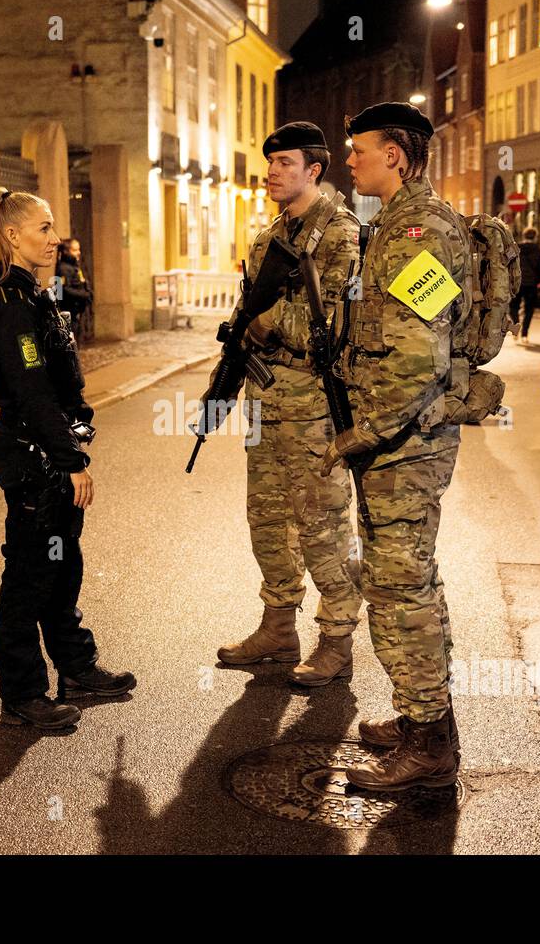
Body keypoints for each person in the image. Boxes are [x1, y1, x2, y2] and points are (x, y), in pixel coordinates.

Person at [323, 101, 473, 790]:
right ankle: (422, 721)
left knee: (399, 586)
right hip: (398, 443)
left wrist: (365, 432)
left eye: (360, 149)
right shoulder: (391, 226)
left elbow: (419, 357)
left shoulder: (418, 231)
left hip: (404, 444)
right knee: (408, 577)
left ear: (399, 155)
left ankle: (429, 745)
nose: (349, 159)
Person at [0, 187, 135, 730]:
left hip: (52, 452)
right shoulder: (8, 305)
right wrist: (70, 460)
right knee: (29, 577)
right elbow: (32, 393)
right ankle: (21, 694)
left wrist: (75, 438)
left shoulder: (33, 294)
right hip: (33, 458)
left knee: (62, 568)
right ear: (11, 235)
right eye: (43, 227)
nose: (53, 236)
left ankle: (77, 670)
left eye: (53, 226)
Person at [215, 122, 364, 686]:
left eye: (284, 162)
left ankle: (336, 640)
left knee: (321, 527)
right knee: (267, 523)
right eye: (270, 161)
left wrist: (261, 323)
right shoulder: (267, 235)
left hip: (314, 409)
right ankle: (278, 626)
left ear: (314, 170)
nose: (273, 171)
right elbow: (245, 315)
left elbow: (329, 326)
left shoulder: (339, 235)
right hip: (264, 402)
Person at [511, 227, 540, 344]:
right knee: (529, 309)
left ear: (524, 235)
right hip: (531, 283)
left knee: (513, 307)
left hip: (517, 282)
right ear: (535, 237)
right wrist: (538, 279)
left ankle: (516, 327)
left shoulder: (516, 247)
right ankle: (525, 334)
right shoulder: (538, 250)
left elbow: (510, 263)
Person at [55, 238, 93, 342]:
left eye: (78, 249)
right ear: (66, 251)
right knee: (71, 341)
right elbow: (61, 291)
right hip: (68, 310)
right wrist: (84, 294)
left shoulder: (73, 266)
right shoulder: (62, 268)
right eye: (75, 250)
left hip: (76, 310)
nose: (79, 253)